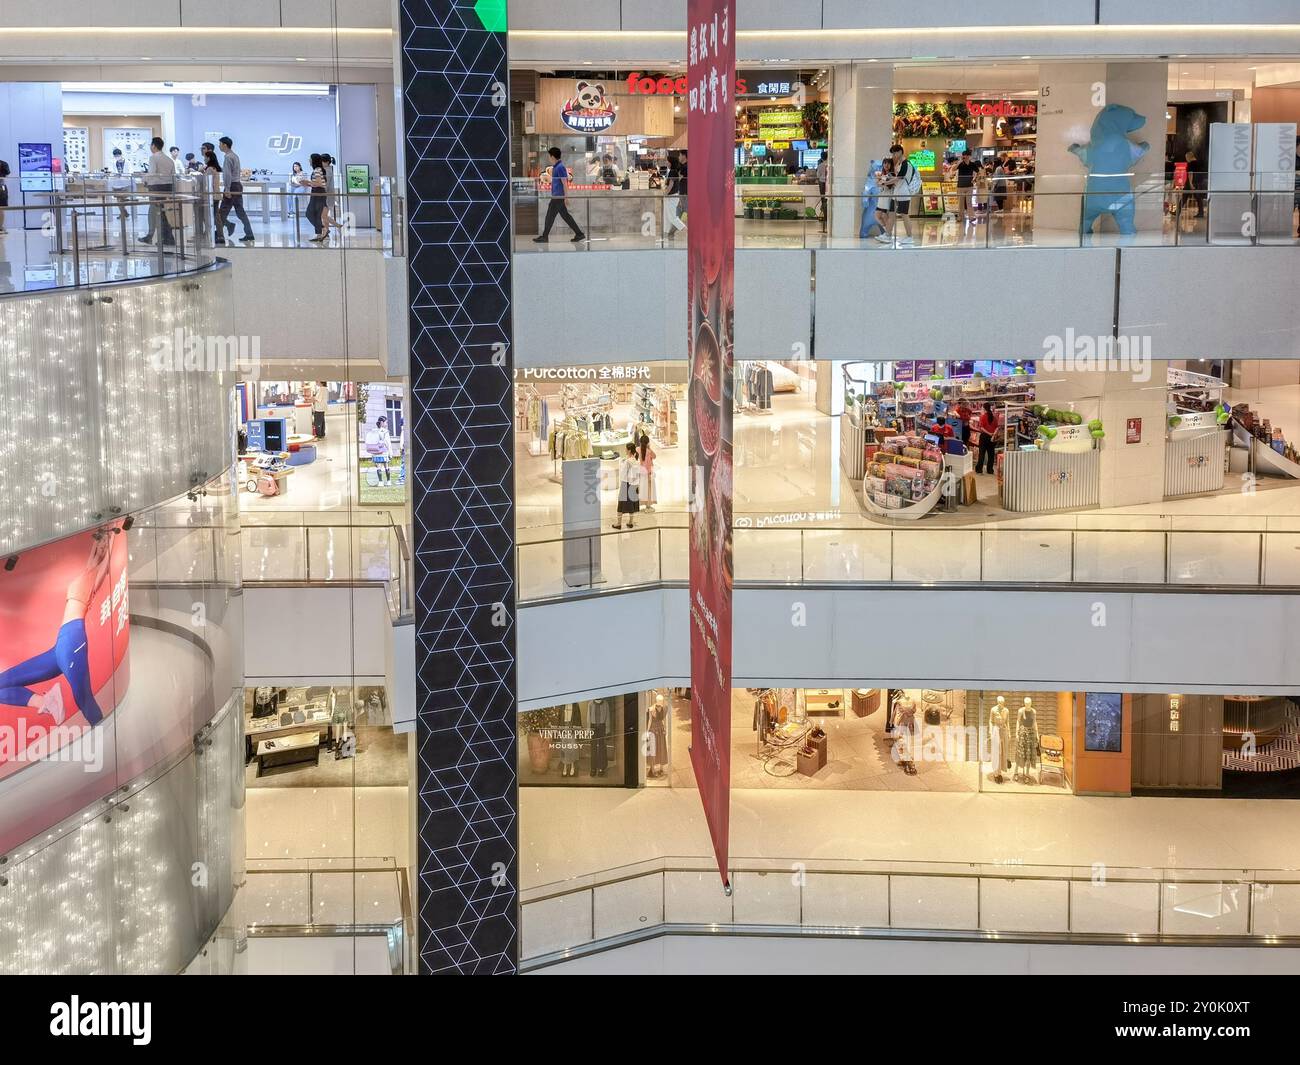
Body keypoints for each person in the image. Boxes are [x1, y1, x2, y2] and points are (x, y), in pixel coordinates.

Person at [0, 532, 113, 728]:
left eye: (104, 546)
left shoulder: (95, 579)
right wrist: (99, 544)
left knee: (83, 698)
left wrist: (111, 541)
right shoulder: (86, 572)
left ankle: (104, 734)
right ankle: (44, 702)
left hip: (74, 641)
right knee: (2, 682)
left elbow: (105, 560)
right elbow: (93, 558)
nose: (101, 548)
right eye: (100, 544)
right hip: (60, 645)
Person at [533, 146, 586, 243]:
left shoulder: (560, 167)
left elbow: (565, 183)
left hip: (558, 197)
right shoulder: (557, 167)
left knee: (550, 216)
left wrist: (566, 197)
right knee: (565, 216)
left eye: (549, 156)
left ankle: (545, 237)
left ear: (552, 156)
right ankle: (579, 234)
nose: (549, 158)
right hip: (557, 196)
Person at [217, 136, 256, 244]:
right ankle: (249, 234)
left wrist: (227, 189)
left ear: (225, 145)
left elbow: (227, 175)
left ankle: (220, 234)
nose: (219, 146)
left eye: (220, 144)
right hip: (237, 185)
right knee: (240, 212)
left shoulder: (228, 157)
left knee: (222, 213)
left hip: (232, 186)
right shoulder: (235, 156)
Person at [877, 144, 917, 245]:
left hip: (903, 194)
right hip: (896, 193)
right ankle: (888, 235)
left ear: (900, 152)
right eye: (893, 153)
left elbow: (898, 178)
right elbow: (896, 179)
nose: (894, 155)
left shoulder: (906, 164)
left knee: (904, 215)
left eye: (895, 152)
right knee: (891, 214)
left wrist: (885, 183)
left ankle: (909, 236)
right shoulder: (899, 164)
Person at [141, 136, 176, 245]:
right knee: (163, 213)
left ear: (154, 146)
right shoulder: (169, 160)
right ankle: (166, 237)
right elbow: (173, 175)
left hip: (156, 188)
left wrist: (144, 179)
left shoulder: (153, 158)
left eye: (151, 145)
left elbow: (152, 173)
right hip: (168, 187)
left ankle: (162, 237)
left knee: (156, 212)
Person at [613, 442, 643, 529]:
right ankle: (630, 522)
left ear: (629, 450)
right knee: (632, 504)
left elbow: (622, 474)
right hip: (634, 485)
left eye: (626, 448)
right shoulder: (636, 461)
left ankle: (618, 523)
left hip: (626, 484)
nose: (625, 450)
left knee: (621, 504)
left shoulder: (627, 461)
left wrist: (621, 465)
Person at [304, 152, 329, 242]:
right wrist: (308, 184)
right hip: (318, 192)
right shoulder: (318, 169)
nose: (309, 160)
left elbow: (318, 183)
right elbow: (319, 183)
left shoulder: (317, 170)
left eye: (310, 159)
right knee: (316, 214)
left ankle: (323, 230)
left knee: (309, 213)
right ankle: (319, 234)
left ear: (313, 160)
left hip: (318, 193)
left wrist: (307, 182)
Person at [954, 148, 979, 231]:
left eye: (967, 155)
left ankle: (971, 217)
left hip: (969, 186)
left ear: (969, 156)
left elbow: (978, 172)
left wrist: (974, 179)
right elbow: (953, 169)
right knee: (960, 202)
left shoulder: (972, 164)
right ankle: (960, 217)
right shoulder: (960, 164)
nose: (965, 157)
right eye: (964, 155)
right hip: (960, 186)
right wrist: (959, 161)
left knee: (969, 202)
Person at [202, 148, 223, 244]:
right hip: (217, 195)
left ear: (209, 158)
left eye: (205, 157)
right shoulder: (216, 168)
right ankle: (220, 235)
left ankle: (209, 234)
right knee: (216, 216)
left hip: (211, 196)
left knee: (208, 217)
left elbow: (207, 183)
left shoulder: (210, 169)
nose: (204, 159)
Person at [664, 151, 686, 238]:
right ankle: (667, 234)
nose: (666, 162)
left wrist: (664, 194)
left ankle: (687, 231)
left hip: (671, 196)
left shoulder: (672, 172)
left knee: (672, 217)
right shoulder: (674, 171)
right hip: (672, 196)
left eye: (667, 161)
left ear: (671, 162)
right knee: (668, 216)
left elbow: (671, 185)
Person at [365, 415, 393, 485]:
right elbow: (387, 443)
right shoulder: (385, 431)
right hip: (384, 451)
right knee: (386, 466)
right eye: (386, 422)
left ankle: (380, 482)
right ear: (382, 422)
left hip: (376, 452)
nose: (386, 424)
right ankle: (388, 481)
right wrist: (390, 452)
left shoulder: (374, 430)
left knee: (378, 467)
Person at [974, 401, 1001, 475]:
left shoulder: (982, 417)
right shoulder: (994, 417)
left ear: (984, 408)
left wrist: (988, 433)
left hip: (984, 437)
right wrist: (993, 434)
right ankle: (990, 470)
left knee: (982, 453)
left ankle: (979, 469)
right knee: (991, 454)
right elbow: (997, 427)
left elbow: (982, 428)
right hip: (992, 438)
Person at [638, 433, 656, 512]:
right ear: (648, 442)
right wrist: (649, 447)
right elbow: (654, 456)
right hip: (648, 472)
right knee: (649, 489)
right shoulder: (649, 451)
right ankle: (648, 505)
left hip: (642, 471)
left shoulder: (638, 449)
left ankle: (643, 503)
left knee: (643, 488)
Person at [0, 159, 8, 235]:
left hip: (1, 187)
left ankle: (0, 227)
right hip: (2, 187)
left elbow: (6, 175)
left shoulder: (3, 163)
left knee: (1, 208)